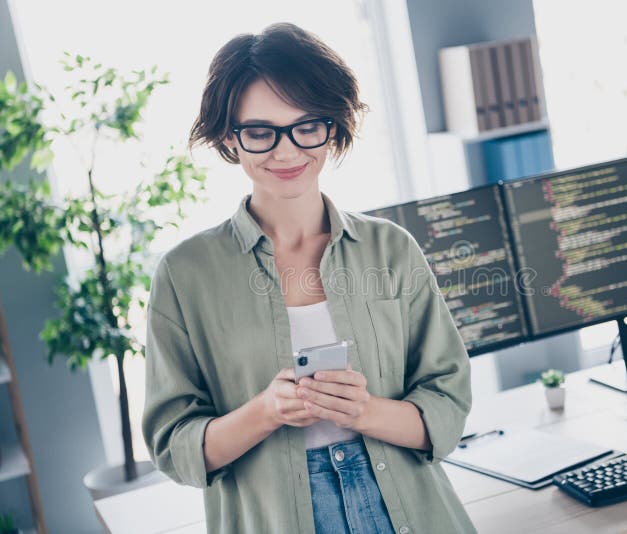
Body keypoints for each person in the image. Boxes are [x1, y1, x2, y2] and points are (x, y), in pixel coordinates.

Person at [142, 23, 475, 534]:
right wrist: (265, 411)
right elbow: (174, 446)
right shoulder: (185, 275)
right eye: (260, 132)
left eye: (307, 126)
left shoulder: (390, 249)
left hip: (412, 511)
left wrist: (364, 411)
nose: (287, 151)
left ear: (333, 126)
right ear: (230, 138)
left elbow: (447, 403)